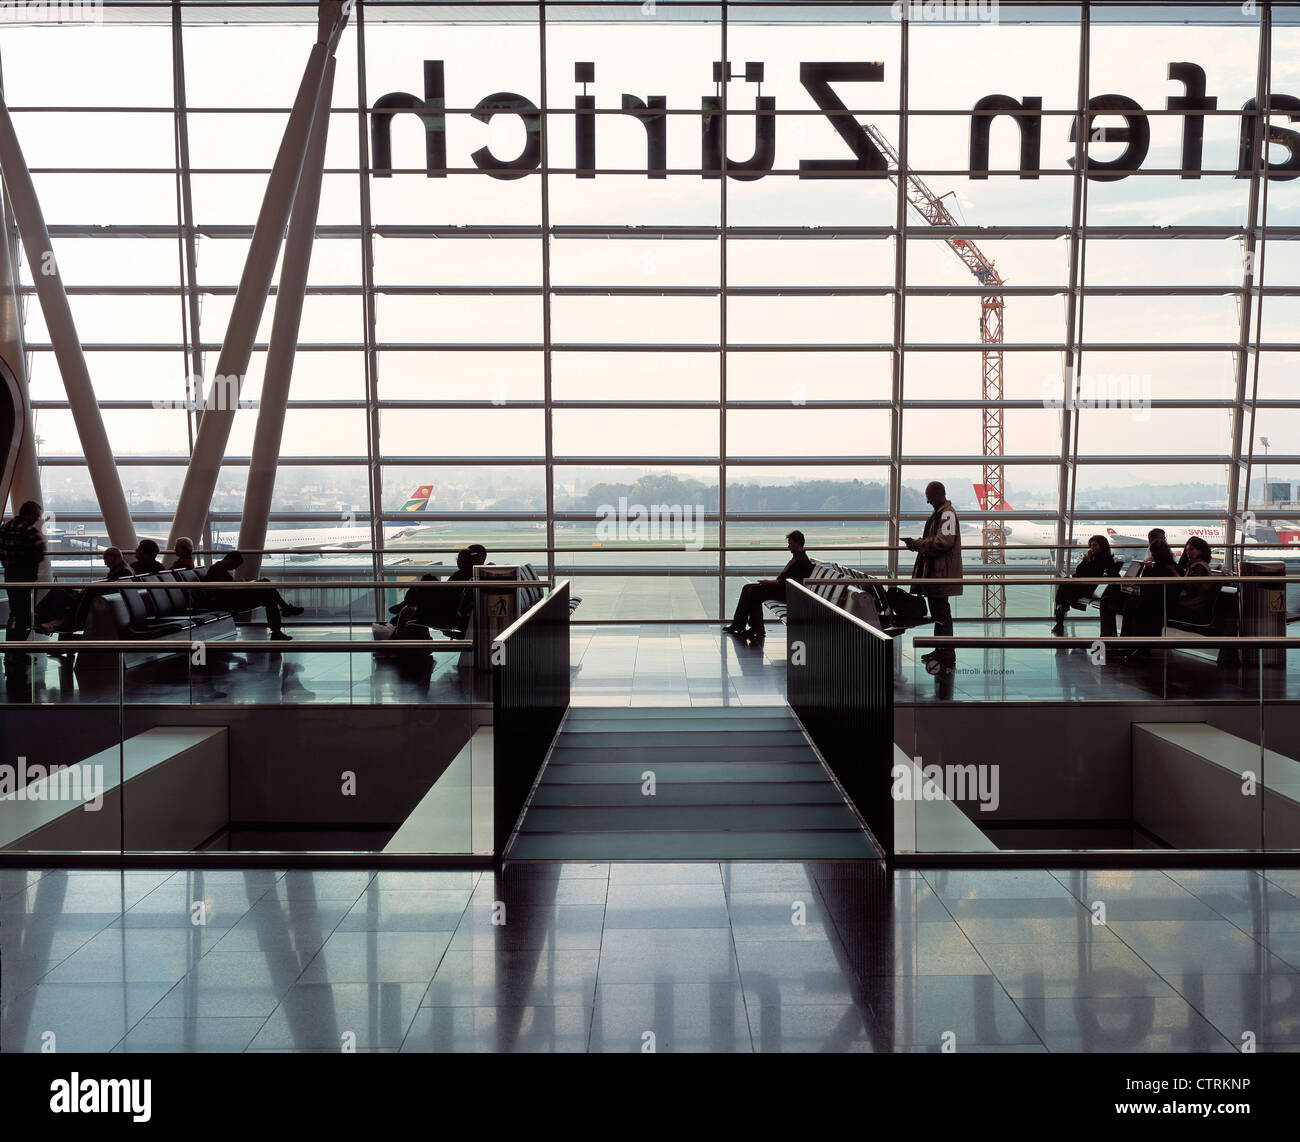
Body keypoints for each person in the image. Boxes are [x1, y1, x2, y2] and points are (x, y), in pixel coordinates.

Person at [903, 482, 963, 667]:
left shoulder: (946, 514)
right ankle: (942, 649)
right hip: (938, 573)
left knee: (941, 613)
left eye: (929, 497)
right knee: (940, 612)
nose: (928, 501)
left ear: (938, 495)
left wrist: (918, 544)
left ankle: (945, 651)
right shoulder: (943, 514)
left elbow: (943, 542)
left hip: (940, 574)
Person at [723, 530, 813, 642]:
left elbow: (788, 581)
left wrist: (769, 582)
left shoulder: (801, 561)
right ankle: (741, 625)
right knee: (747, 587)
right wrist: (769, 582)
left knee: (753, 591)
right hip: (784, 589)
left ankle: (756, 628)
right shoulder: (798, 558)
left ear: (798, 543)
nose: (788, 546)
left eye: (790, 543)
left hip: (787, 592)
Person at [201, 552, 303, 640]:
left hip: (232, 598)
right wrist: (241, 584)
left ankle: (279, 624)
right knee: (267, 589)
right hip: (230, 601)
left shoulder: (218, 569)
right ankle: (282, 617)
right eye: (236, 565)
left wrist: (240, 583)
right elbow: (226, 590)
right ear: (230, 560)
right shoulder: (217, 569)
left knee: (268, 593)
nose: (235, 568)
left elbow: (226, 587)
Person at [1117, 534, 1182, 659]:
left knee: (1131, 605)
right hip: (1167, 602)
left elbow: (1145, 587)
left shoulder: (1154, 568)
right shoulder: (1173, 566)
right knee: (1133, 605)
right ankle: (1133, 646)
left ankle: (1129, 644)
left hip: (1157, 605)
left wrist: (1145, 570)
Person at [1099, 527, 1164, 638]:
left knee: (1122, 602)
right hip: (1145, 591)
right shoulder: (1150, 555)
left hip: (1151, 596)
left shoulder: (1162, 560)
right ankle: (1109, 639)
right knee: (1107, 599)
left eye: (1162, 539)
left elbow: (1155, 585)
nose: (1160, 542)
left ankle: (1123, 641)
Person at [1, 500, 46, 658]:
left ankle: (10, 644)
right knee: (25, 614)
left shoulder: (6, 527)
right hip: (26, 577)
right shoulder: (29, 530)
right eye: (36, 515)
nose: (37, 519)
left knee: (14, 613)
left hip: (10, 575)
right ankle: (19, 648)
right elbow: (40, 550)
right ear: (29, 514)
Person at [1051, 534, 1121, 636]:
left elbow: (1088, 574)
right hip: (1087, 585)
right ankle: (1060, 616)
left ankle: (1059, 619)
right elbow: (1079, 573)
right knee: (1064, 586)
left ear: (1102, 546)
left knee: (1064, 587)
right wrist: (1085, 561)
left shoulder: (1104, 560)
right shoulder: (1093, 558)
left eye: (1094, 545)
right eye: (1091, 545)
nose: (1092, 548)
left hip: (1092, 587)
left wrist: (1087, 562)